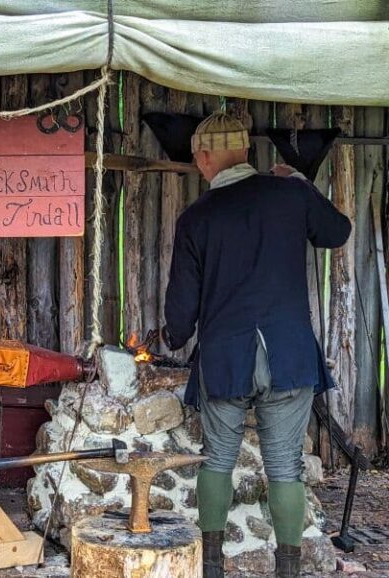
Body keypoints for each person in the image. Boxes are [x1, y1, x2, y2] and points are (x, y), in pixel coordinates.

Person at [161, 112, 351, 578]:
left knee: (218, 459)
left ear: (205, 158)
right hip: (288, 355)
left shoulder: (197, 217)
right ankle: (287, 571)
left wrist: (173, 337)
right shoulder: (291, 196)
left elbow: (181, 308)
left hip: (227, 359)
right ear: (245, 151)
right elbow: (337, 232)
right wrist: (304, 184)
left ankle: (212, 568)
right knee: (285, 466)